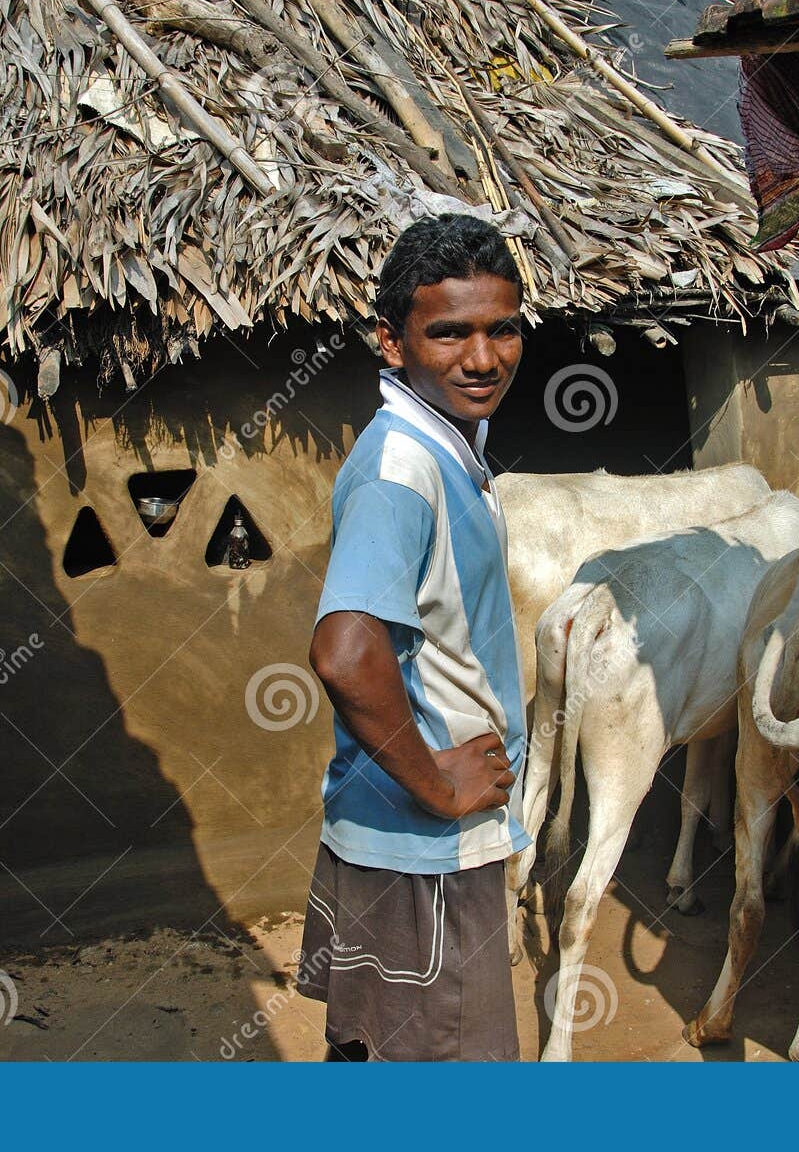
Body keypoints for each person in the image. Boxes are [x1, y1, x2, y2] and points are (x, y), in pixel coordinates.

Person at [295, 213, 528, 1061]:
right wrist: (436, 786)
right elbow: (345, 651)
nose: (483, 357)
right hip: (425, 858)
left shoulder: (446, 449)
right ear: (392, 341)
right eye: (450, 333)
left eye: (503, 329)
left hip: (412, 848)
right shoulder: (404, 466)